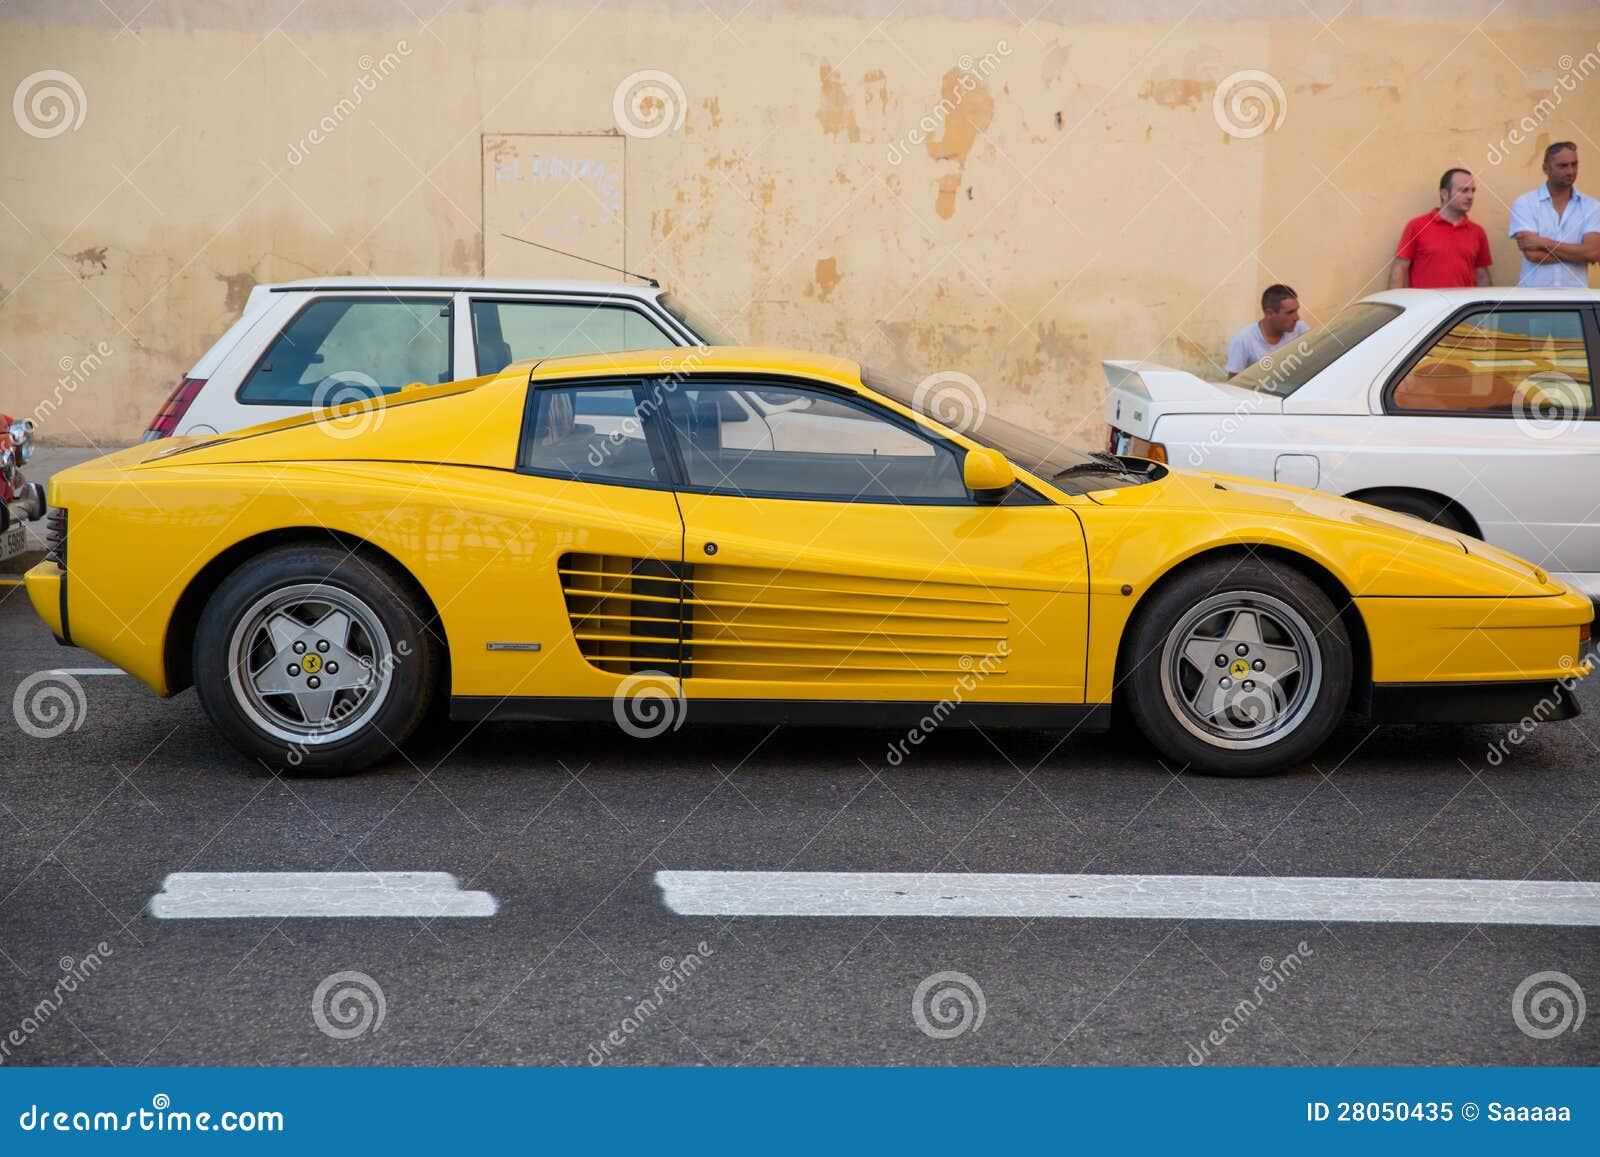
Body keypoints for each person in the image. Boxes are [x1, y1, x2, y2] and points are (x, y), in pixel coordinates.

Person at [1509, 142, 1600, 287]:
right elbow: (1533, 255)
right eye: (1562, 166)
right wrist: (1579, 254)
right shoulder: (1525, 203)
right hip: (1534, 299)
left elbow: (1593, 253)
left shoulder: (1592, 206)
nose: (1570, 171)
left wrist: (1542, 242)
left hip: (1576, 302)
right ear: (1546, 169)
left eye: (1574, 164)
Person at [1389, 168, 1493, 288]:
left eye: (1473, 191)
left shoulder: (1477, 232)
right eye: (1464, 190)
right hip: (1427, 305)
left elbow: (1482, 276)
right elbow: (1400, 269)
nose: (1470, 196)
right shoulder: (1417, 226)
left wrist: (1488, 306)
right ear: (1444, 194)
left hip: (1461, 306)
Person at [1225, 285, 1309, 379]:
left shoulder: (1300, 329)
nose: (1297, 318)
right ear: (1269, 314)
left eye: (1297, 311)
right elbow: (1233, 385)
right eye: (1290, 313)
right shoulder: (1243, 340)